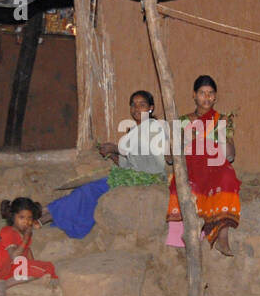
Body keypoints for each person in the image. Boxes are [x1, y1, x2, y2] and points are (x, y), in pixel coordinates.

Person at [45, 90, 169, 238]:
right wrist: (111, 155)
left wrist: (116, 149)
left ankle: (48, 214)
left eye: (142, 104)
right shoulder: (134, 130)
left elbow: (148, 162)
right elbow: (129, 162)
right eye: (133, 105)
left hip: (147, 177)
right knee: (85, 190)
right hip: (133, 175)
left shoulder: (154, 128)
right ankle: (49, 212)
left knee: (90, 190)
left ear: (151, 108)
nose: (137, 109)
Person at [166, 74, 240, 256]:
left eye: (210, 93)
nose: (206, 98)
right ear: (194, 95)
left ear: (215, 96)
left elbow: (230, 156)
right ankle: (187, 237)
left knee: (228, 178)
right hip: (191, 165)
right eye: (202, 93)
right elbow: (169, 157)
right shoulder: (182, 121)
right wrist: (182, 139)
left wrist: (221, 136)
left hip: (215, 165)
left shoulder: (222, 120)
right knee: (187, 184)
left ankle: (222, 238)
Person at [0, 197, 58, 296]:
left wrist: (33, 264)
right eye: (22, 217)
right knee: (47, 268)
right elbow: (14, 256)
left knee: (44, 267)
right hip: (7, 269)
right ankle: (3, 285)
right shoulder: (8, 232)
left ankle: (31, 277)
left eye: (29, 218)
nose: (26, 222)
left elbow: (27, 251)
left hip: (19, 268)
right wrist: (26, 238)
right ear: (12, 216)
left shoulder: (23, 233)